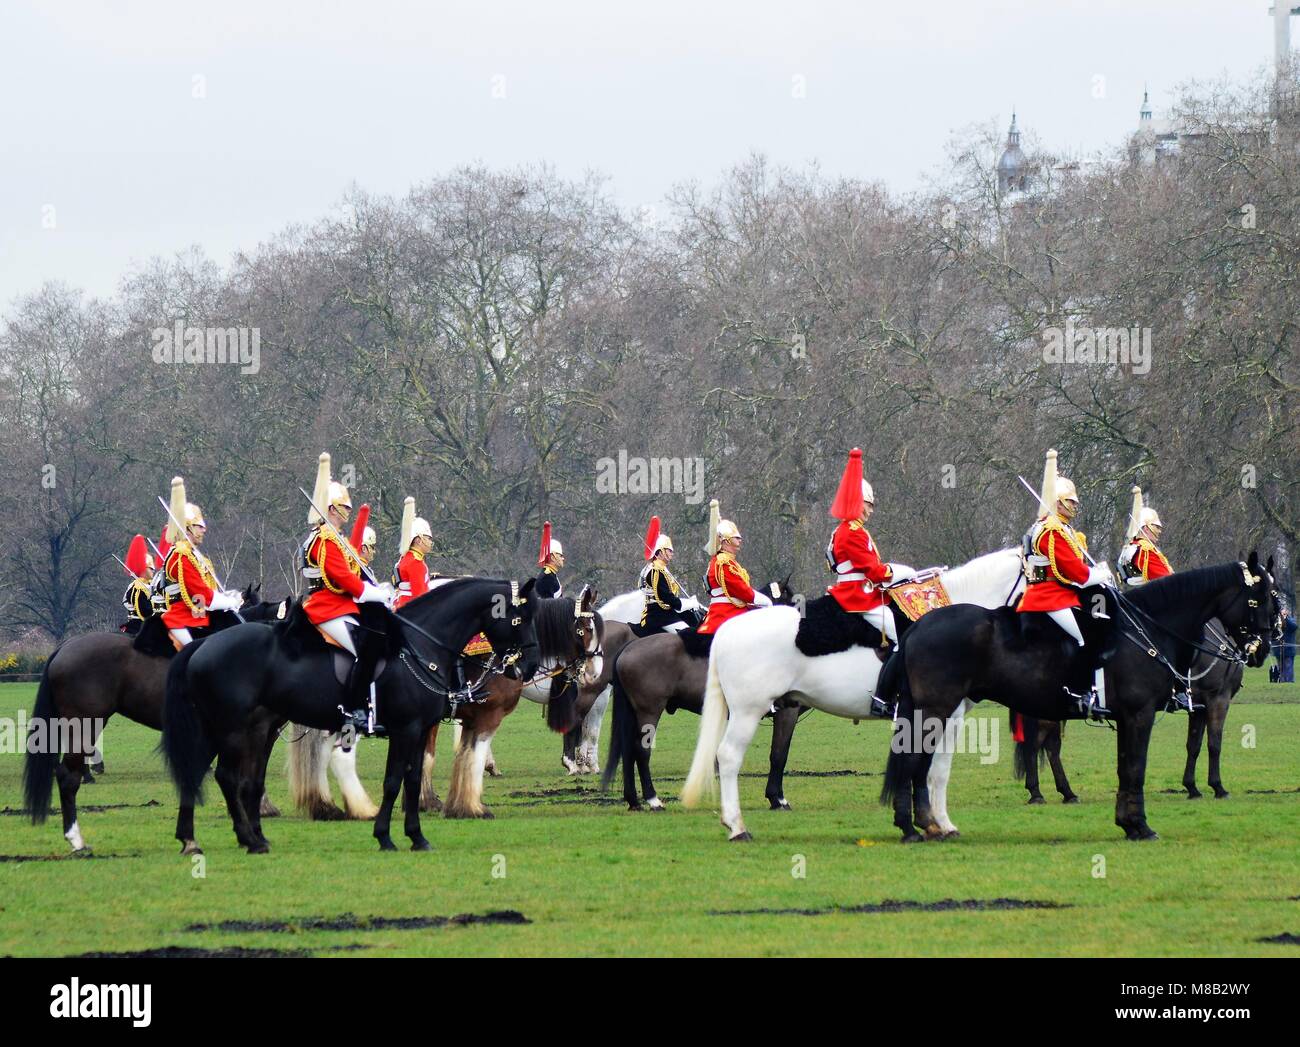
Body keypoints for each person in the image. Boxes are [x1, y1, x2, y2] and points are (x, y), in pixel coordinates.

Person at [300, 454, 394, 735]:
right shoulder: (325, 539)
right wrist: (373, 594)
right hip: (326, 607)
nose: (348, 512)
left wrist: (376, 590)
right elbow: (343, 578)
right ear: (330, 508)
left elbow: (353, 571)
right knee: (364, 650)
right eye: (344, 507)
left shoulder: (335, 538)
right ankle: (353, 709)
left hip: (340, 606)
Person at [1016, 450, 1112, 718]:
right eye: (1070, 501)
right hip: (1048, 595)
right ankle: (1079, 691)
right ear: (1057, 502)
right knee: (1084, 637)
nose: (1075, 506)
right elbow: (1076, 574)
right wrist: (1100, 574)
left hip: (1058, 593)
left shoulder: (1064, 529)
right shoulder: (1051, 530)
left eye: (1075, 501)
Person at [159, 477, 244, 649]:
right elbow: (201, 595)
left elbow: (207, 591)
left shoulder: (190, 554)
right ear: (188, 528)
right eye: (199, 526)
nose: (203, 530)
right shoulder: (181, 555)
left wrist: (226, 595)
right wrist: (230, 602)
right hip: (182, 619)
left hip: (195, 617)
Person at [697, 518, 771, 635]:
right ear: (726, 541)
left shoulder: (724, 561)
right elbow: (740, 589)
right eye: (737, 538)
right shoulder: (724, 562)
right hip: (727, 612)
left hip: (730, 609)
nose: (740, 540)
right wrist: (763, 599)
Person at [639, 524, 700, 633]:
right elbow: (667, 598)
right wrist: (689, 604)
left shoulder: (661, 569)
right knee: (688, 634)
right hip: (659, 614)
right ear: (661, 551)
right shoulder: (655, 571)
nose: (672, 553)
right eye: (669, 550)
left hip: (665, 611)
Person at [1117, 486, 1172, 586]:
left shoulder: (1131, 547)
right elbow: (1166, 579)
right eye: (1157, 527)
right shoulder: (1145, 550)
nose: (1159, 531)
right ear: (1146, 528)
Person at [393, 496, 433, 609]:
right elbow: (420, 598)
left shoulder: (404, 559)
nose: (430, 542)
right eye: (428, 538)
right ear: (419, 540)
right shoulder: (415, 562)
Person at [121, 534, 155, 634]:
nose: (153, 570)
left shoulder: (148, 585)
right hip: (138, 626)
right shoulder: (138, 587)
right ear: (144, 569)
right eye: (151, 568)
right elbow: (144, 611)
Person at [536, 521, 564, 598]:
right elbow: (548, 607)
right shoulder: (547, 578)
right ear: (552, 557)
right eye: (560, 555)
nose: (563, 558)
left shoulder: (551, 575)